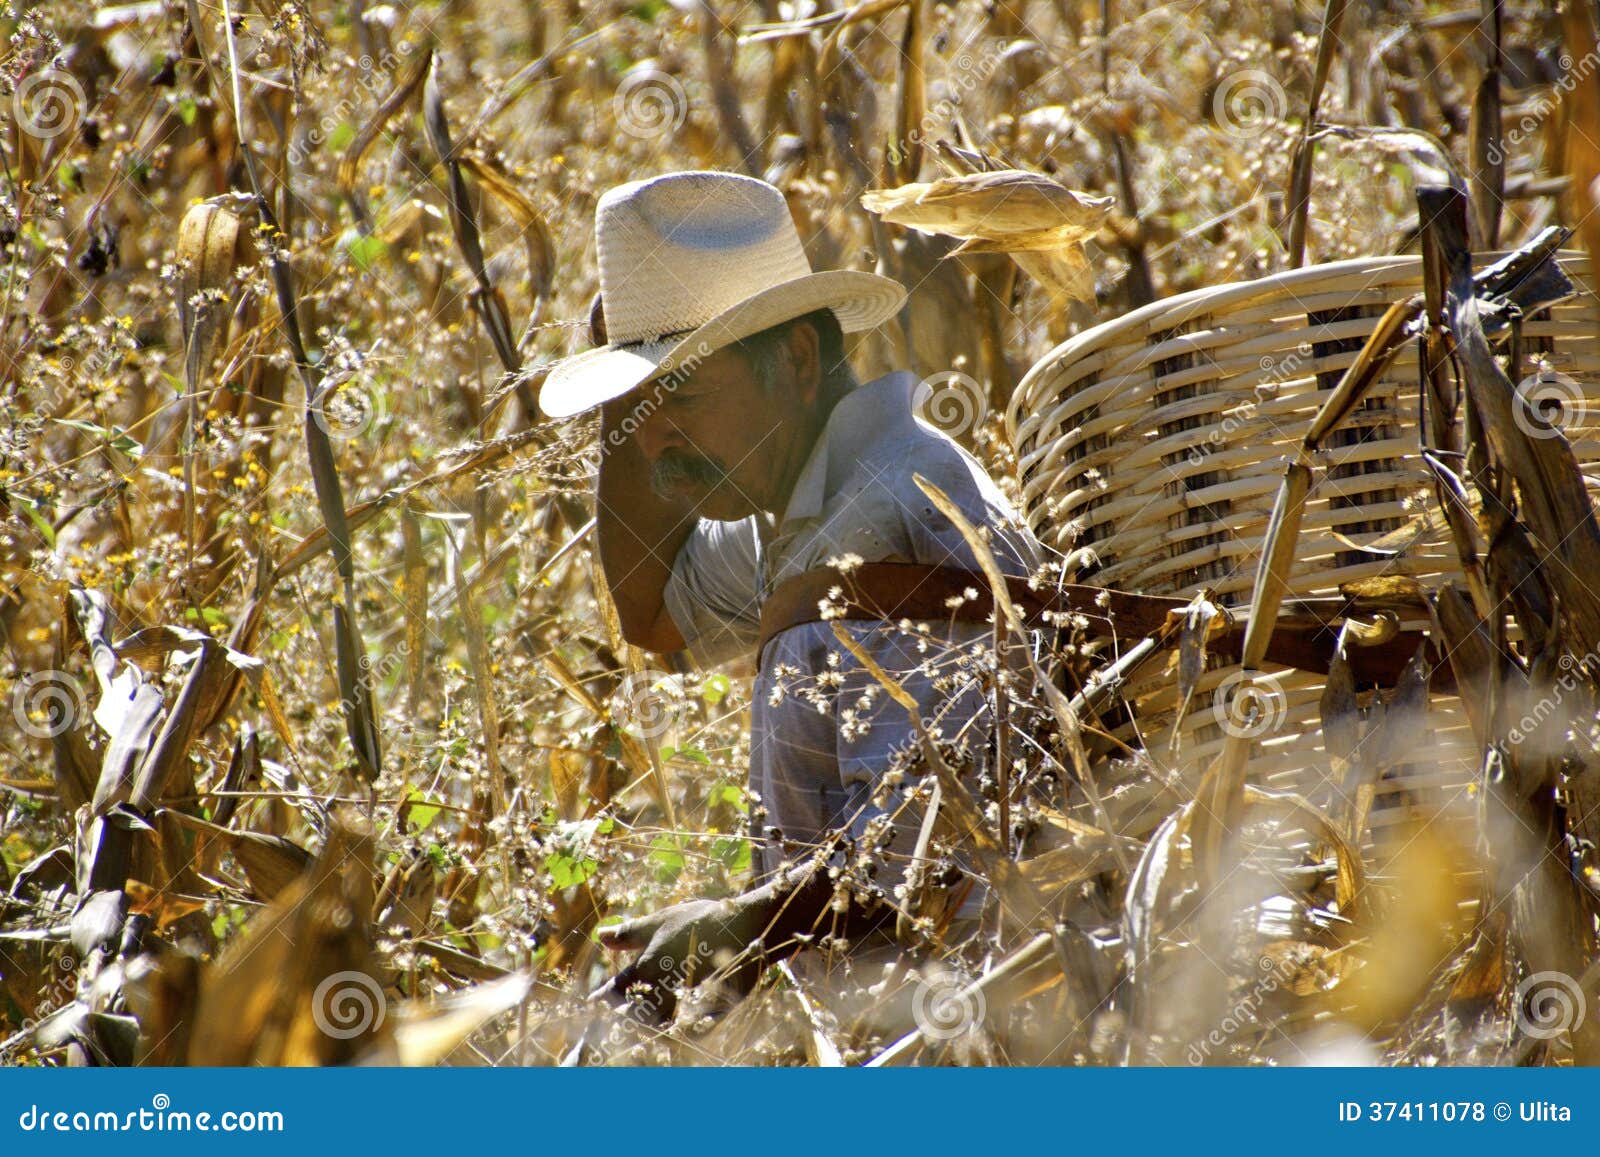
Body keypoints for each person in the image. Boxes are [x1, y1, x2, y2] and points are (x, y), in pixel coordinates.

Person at [539, 170, 1043, 1020]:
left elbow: (926, 855)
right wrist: (628, 394)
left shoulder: (881, 515)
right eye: (638, 407)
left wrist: (738, 923)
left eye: (685, 392)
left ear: (799, 361)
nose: (653, 433)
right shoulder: (804, 501)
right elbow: (654, 616)